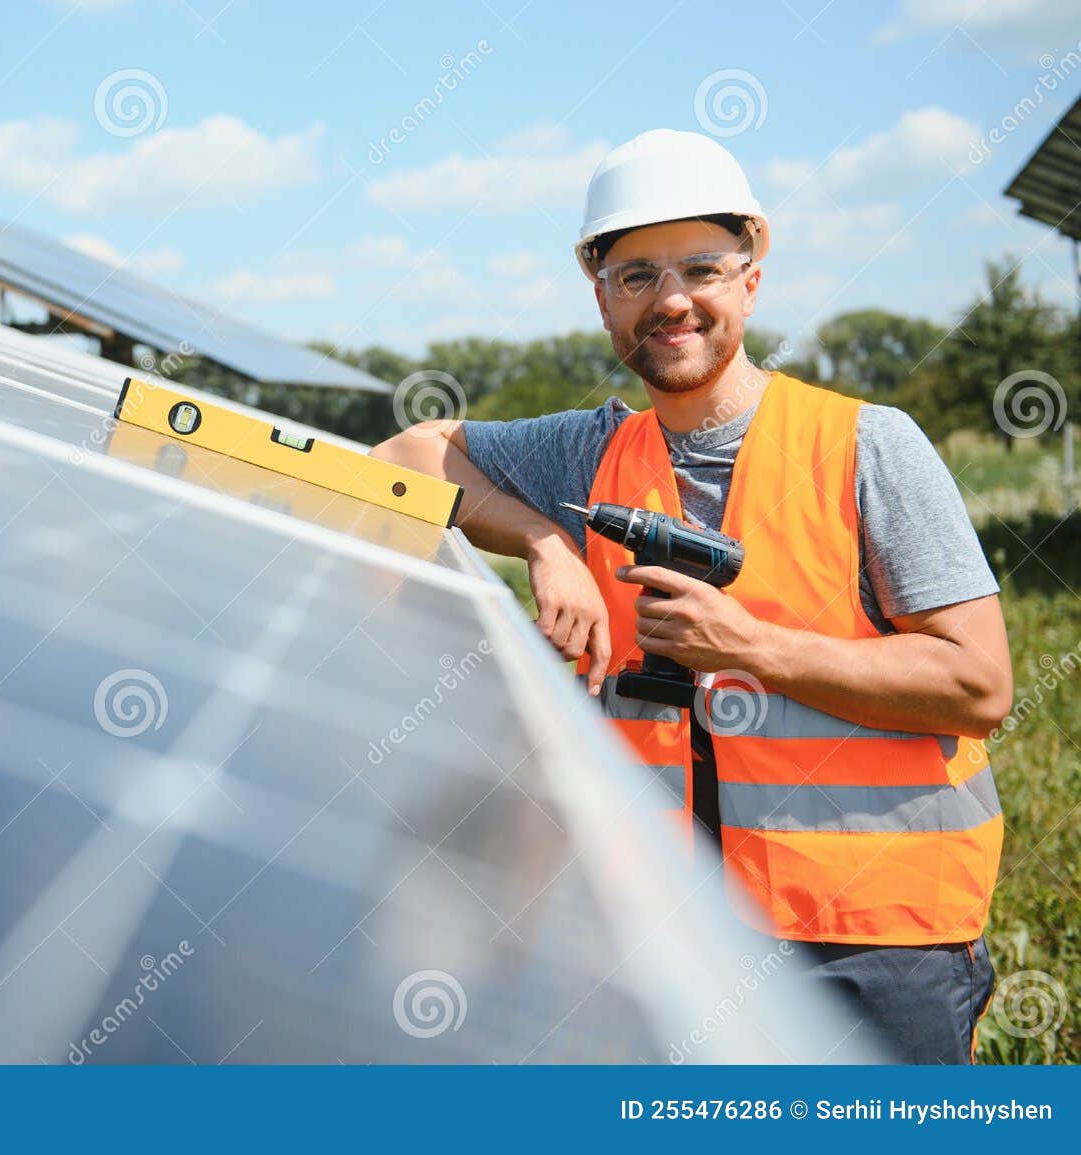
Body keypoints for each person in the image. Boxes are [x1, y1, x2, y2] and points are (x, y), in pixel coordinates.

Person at [371, 129, 1011, 1064]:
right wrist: (547, 542)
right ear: (601, 298)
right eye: (635, 276)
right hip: (672, 938)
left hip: (875, 944)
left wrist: (751, 645)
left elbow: (981, 685)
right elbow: (405, 457)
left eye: (700, 268)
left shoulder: (870, 447)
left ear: (751, 274)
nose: (670, 302)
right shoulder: (587, 454)